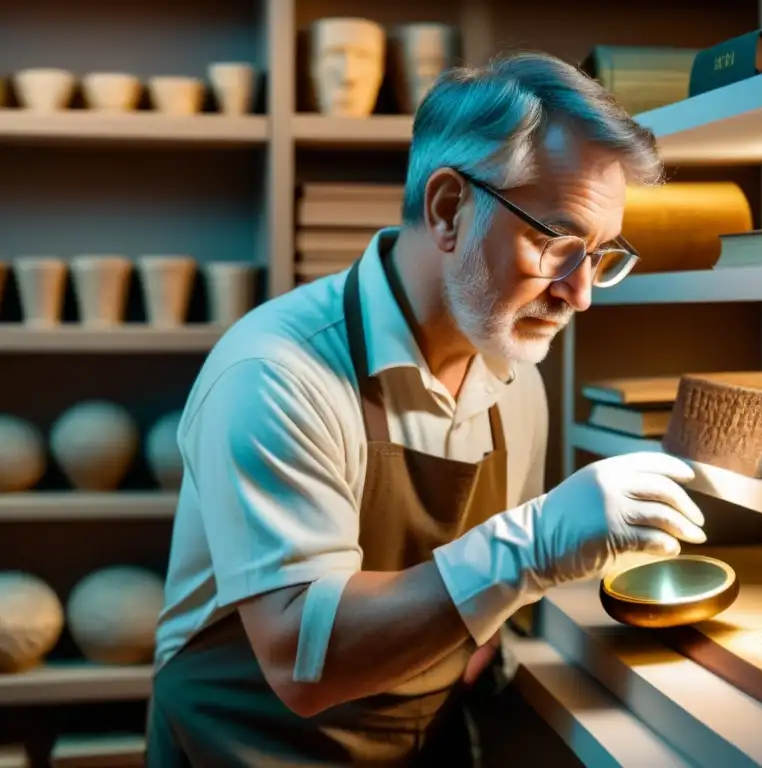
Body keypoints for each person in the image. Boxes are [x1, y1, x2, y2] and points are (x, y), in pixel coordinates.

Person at [146, 49, 706, 767]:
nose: (581, 294)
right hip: (246, 748)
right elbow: (302, 661)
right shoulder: (277, 374)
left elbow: (477, 617)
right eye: (558, 243)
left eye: (600, 255)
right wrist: (532, 547)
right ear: (448, 209)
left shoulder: (514, 376)